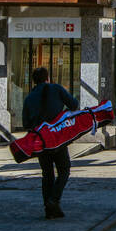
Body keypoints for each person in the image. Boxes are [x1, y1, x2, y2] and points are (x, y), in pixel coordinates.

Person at [23, 67, 78, 219]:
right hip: (57, 137)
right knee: (64, 169)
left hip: (40, 140)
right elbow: (74, 104)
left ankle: (49, 209)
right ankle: (54, 200)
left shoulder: (29, 97)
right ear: (47, 78)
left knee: (47, 174)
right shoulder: (57, 89)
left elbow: (25, 122)